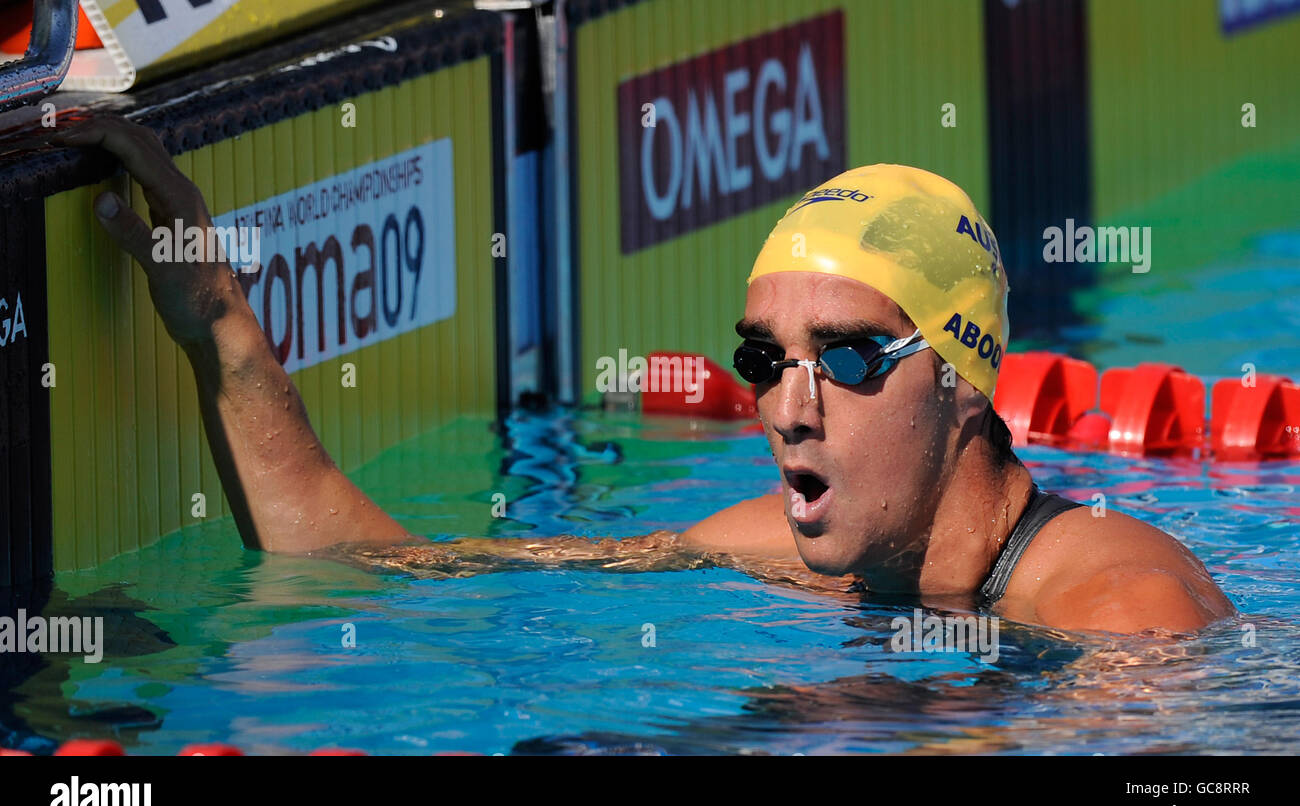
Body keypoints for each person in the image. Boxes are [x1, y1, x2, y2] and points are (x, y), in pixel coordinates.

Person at [57, 116, 1235, 635]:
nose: (790, 410)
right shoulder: (783, 551)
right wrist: (221, 329)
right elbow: (382, 567)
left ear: (966, 377)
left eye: (846, 357)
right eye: (763, 361)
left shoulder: (1118, 610)